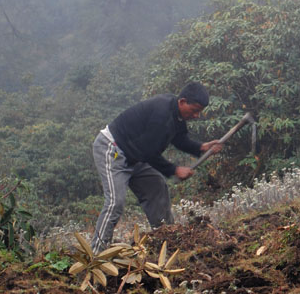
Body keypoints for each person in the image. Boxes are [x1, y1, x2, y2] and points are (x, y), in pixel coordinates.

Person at [90, 82, 223, 252]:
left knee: (157, 186)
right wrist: (174, 170)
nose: (197, 115)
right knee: (116, 203)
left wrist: (202, 147)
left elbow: (180, 139)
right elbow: (149, 152)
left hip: (135, 155)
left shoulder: (177, 116)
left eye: (200, 112)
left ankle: (167, 240)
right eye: (195, 110)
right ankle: (96, 255)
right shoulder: (162, 114)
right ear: (182, 102)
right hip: (113, 150)